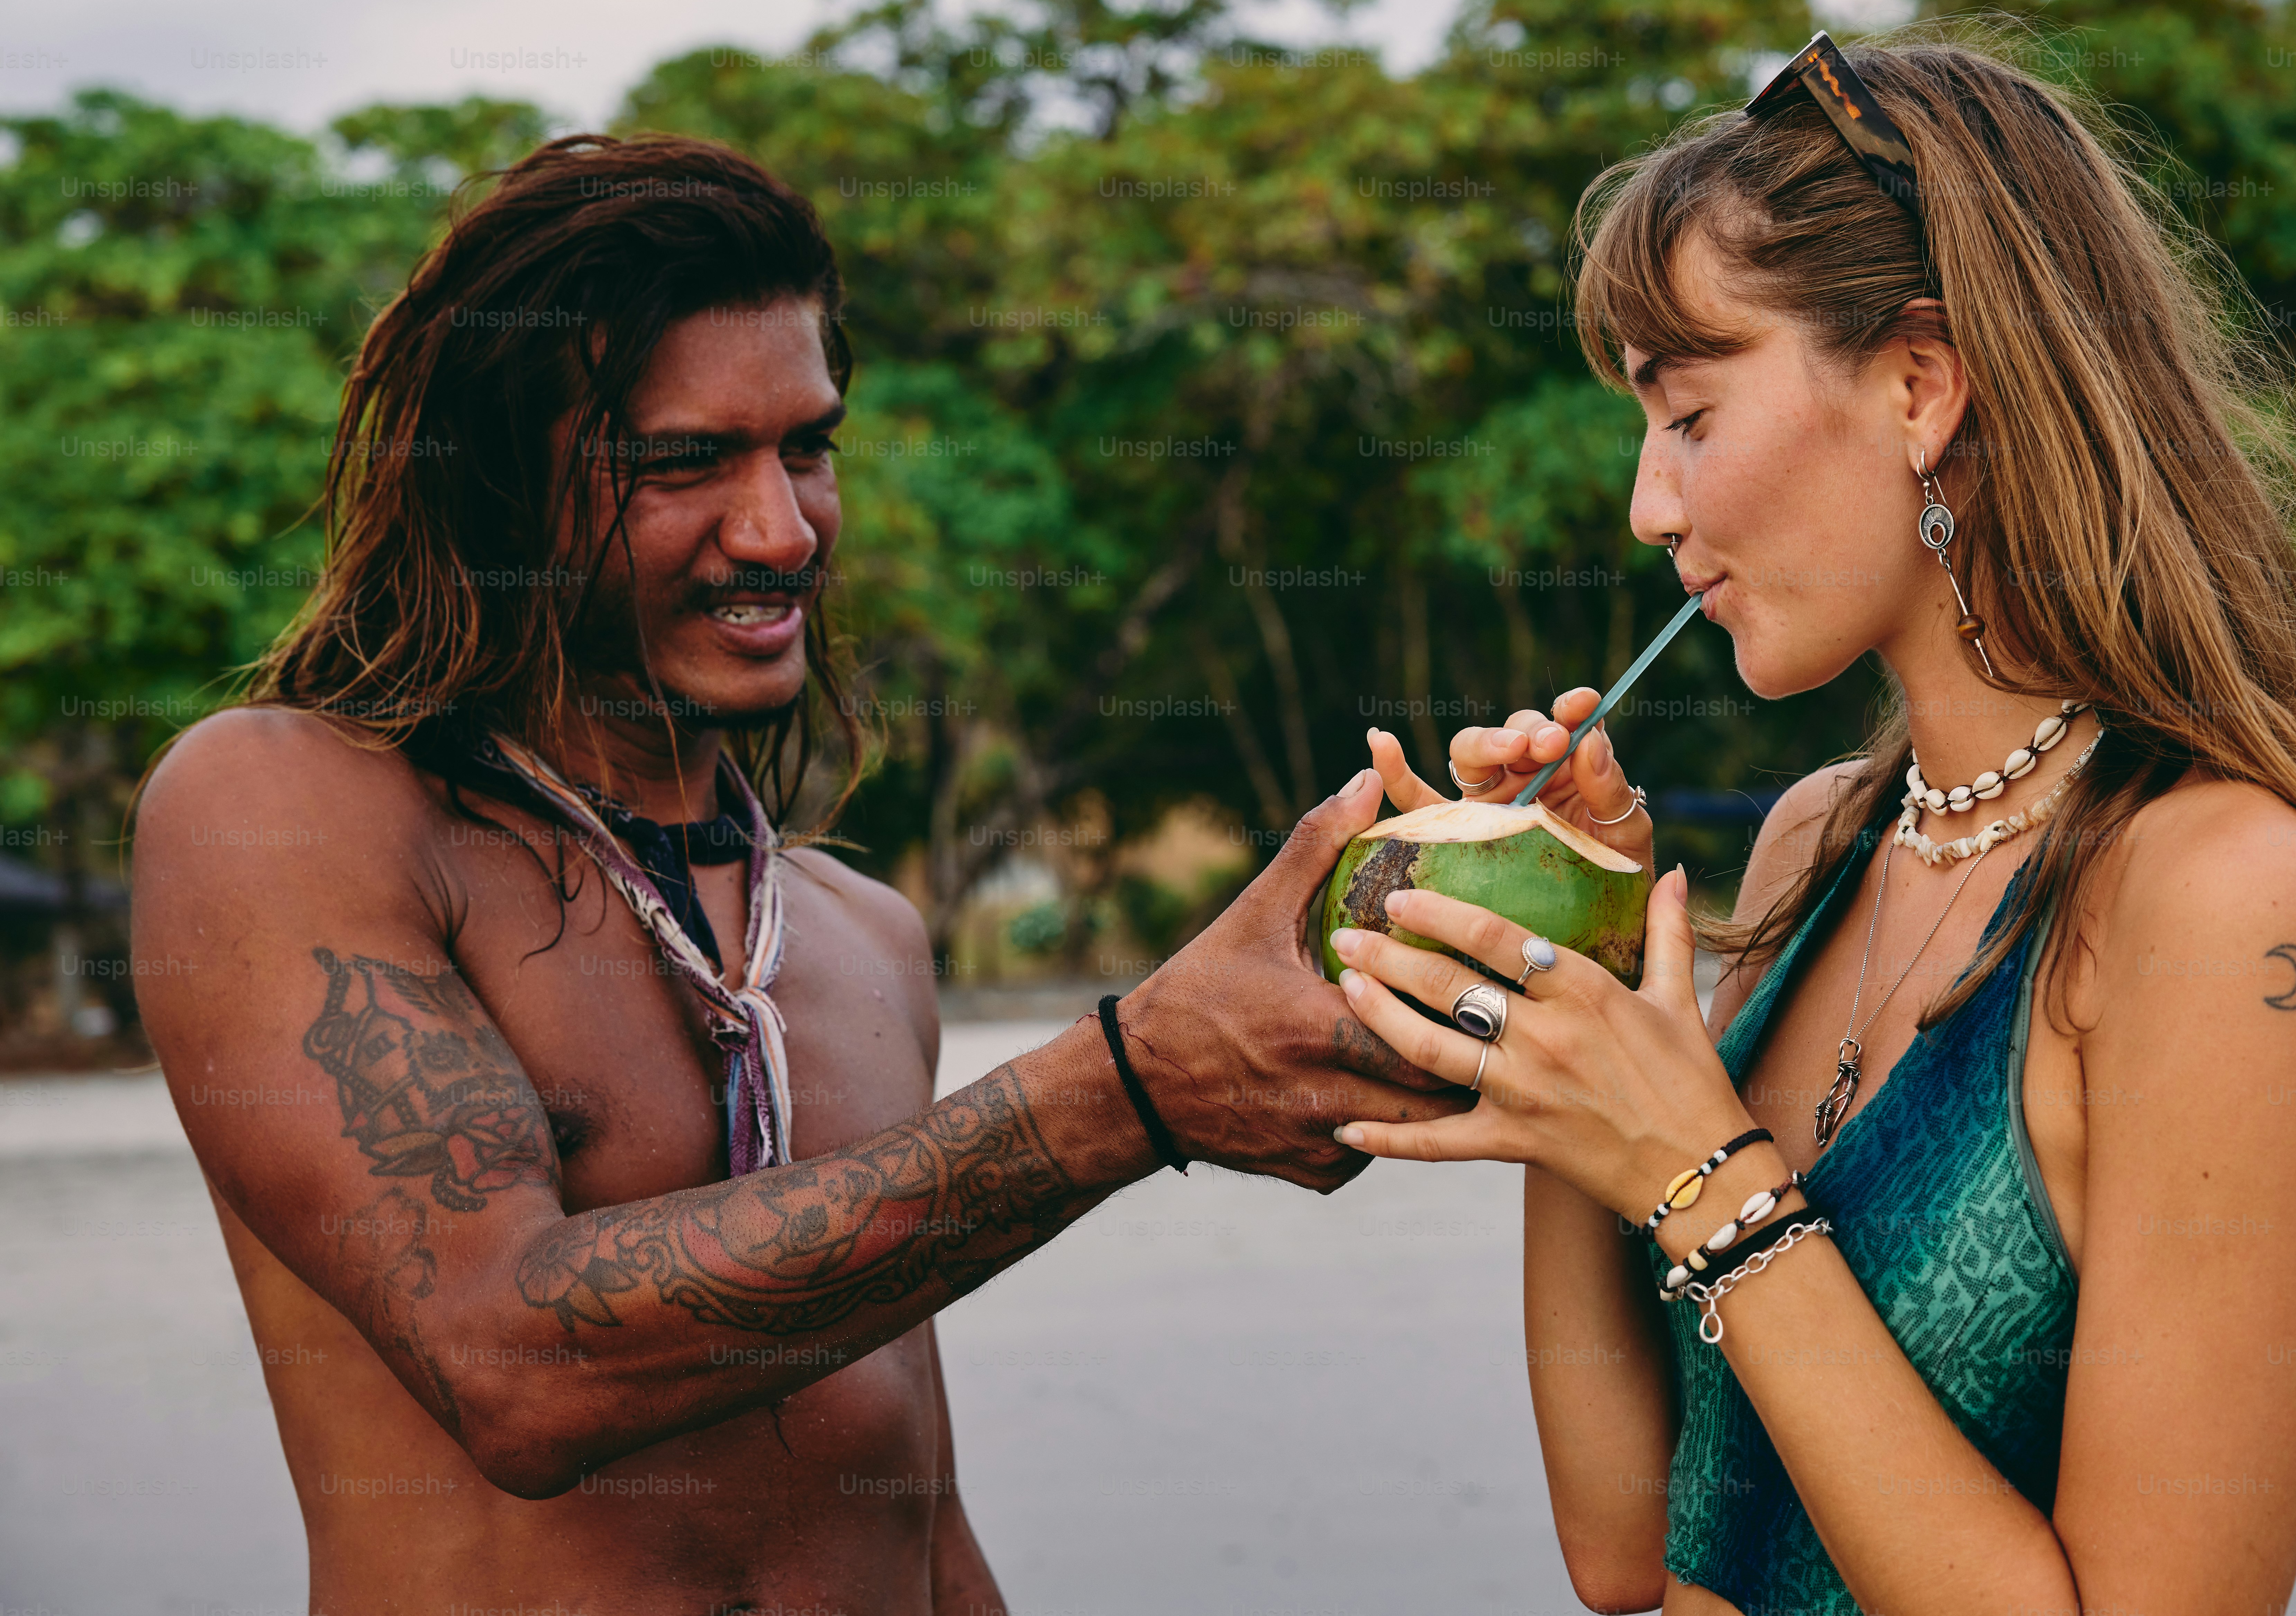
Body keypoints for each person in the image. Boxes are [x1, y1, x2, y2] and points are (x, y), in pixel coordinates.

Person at [129, 133, 1460, 1614]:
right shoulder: (288, 806)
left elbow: (916, 1518)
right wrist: (1133, 1087)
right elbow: (515, 1368)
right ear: (499, 488)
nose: (778, 531)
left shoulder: (856, 936)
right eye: (682, 464)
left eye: (807, 448)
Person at [1335, 31, 2296, 1615]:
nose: (1647, 507)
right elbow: (1623, 1549)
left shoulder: (2232, 902)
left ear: (1918, 384)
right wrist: (1587, 984)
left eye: (1687, 416)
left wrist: (1709, 1183)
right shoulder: (1817, 840)